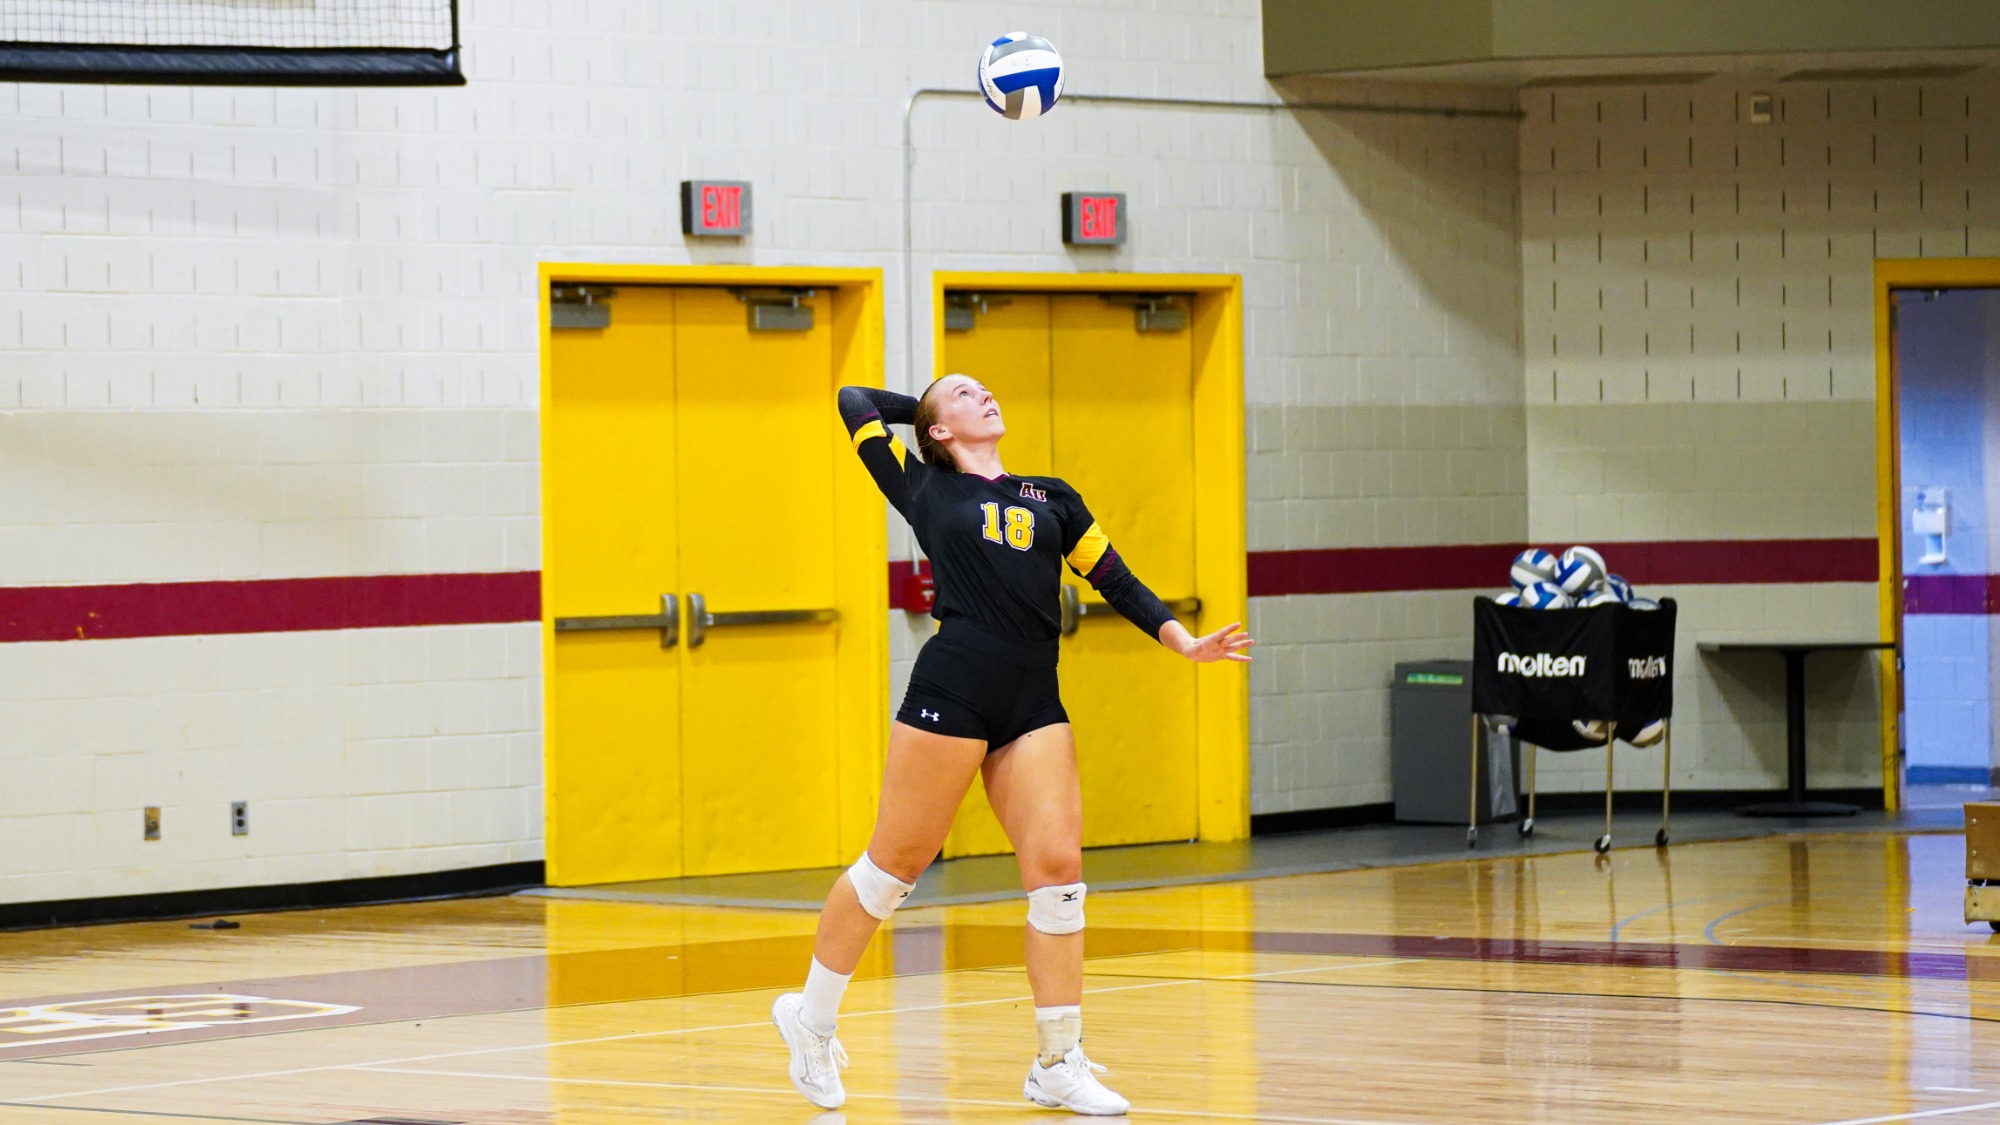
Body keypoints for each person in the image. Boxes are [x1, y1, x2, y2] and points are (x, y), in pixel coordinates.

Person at [770, 374, 1254, 1115]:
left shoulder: (1051, 497)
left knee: (1059, 872)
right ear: (936, 429)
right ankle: (811, 1018)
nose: (986, 395)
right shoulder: (922, 487)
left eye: (986, 388)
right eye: (965, 394)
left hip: (1034, 694)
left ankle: (1058, 1061)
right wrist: (926, 409)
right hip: (954, 685)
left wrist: (1182, 640)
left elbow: (1115, 578)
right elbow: (852, 400)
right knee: (894, 867)